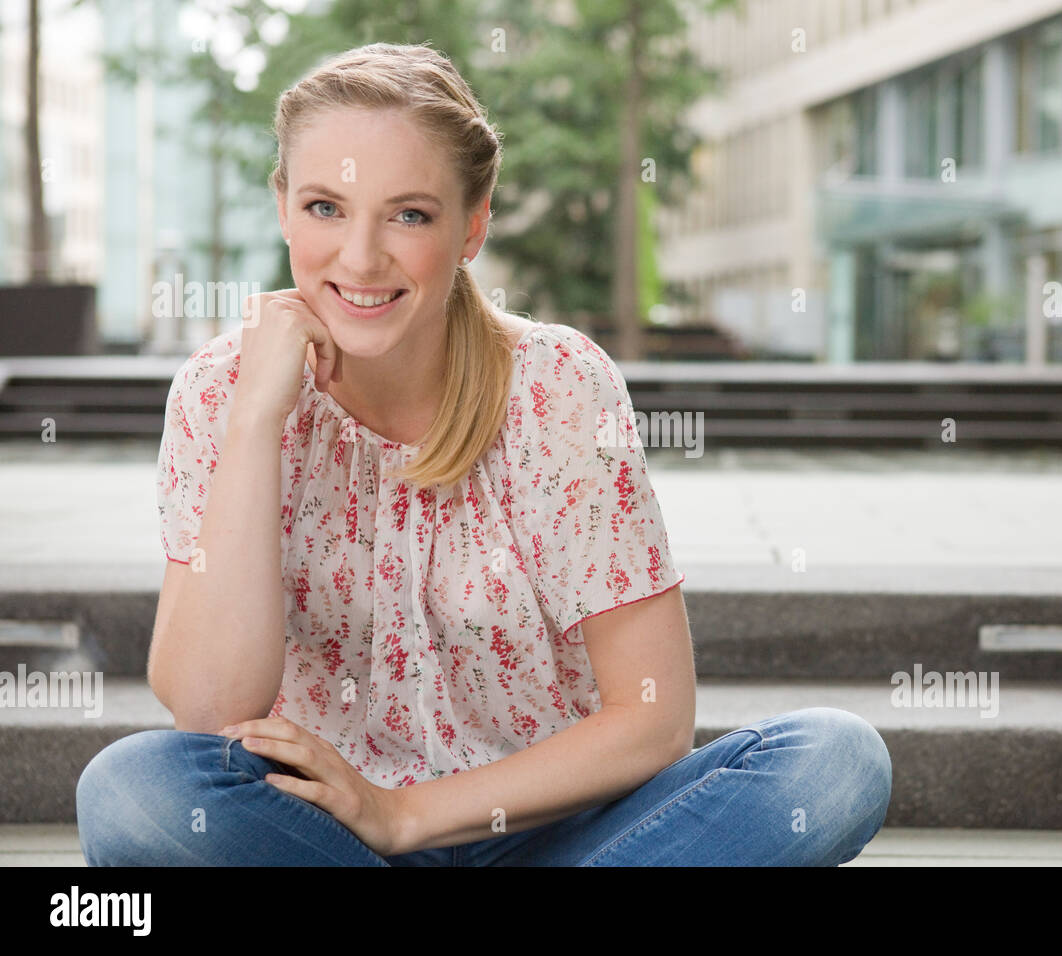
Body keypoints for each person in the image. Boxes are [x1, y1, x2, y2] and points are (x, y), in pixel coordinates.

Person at [75, 42, 891, 866]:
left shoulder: (558, 386)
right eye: (326, 207)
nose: (360, 258)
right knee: (130, 791)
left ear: (473, 224)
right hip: (319, 837)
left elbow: (652, 716)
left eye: (409, 214)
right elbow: (212, 715)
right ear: (283, 205)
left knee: (832, 762)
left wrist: (403, 814)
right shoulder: (222, 389)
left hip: (554, 834)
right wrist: (257, 420)